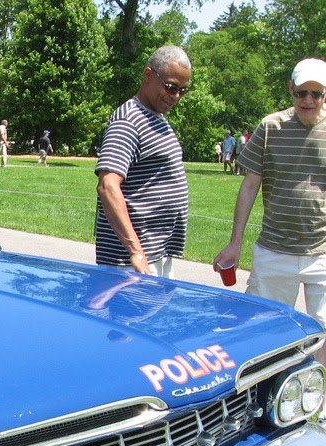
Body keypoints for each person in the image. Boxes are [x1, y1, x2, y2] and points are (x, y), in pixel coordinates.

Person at [213, 58, 326, 363]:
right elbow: (250, 185)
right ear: (291, 88)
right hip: (274, 248)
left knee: (325, 331)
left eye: (317, 94)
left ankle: (318, 399)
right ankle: (268, 400)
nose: (308, 100)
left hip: (322, 252)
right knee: (265, 331)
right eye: (302, 92)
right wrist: (235, 242)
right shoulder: (271, 126)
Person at [94, 45, 191, 277]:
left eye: (182, 90)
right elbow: (108, 186)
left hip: (155, 252)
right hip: (131, 261)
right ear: (148, 75)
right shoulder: (128, 120)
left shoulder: (156, 117)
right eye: (170, 87)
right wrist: (135, 251)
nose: (176, 96)